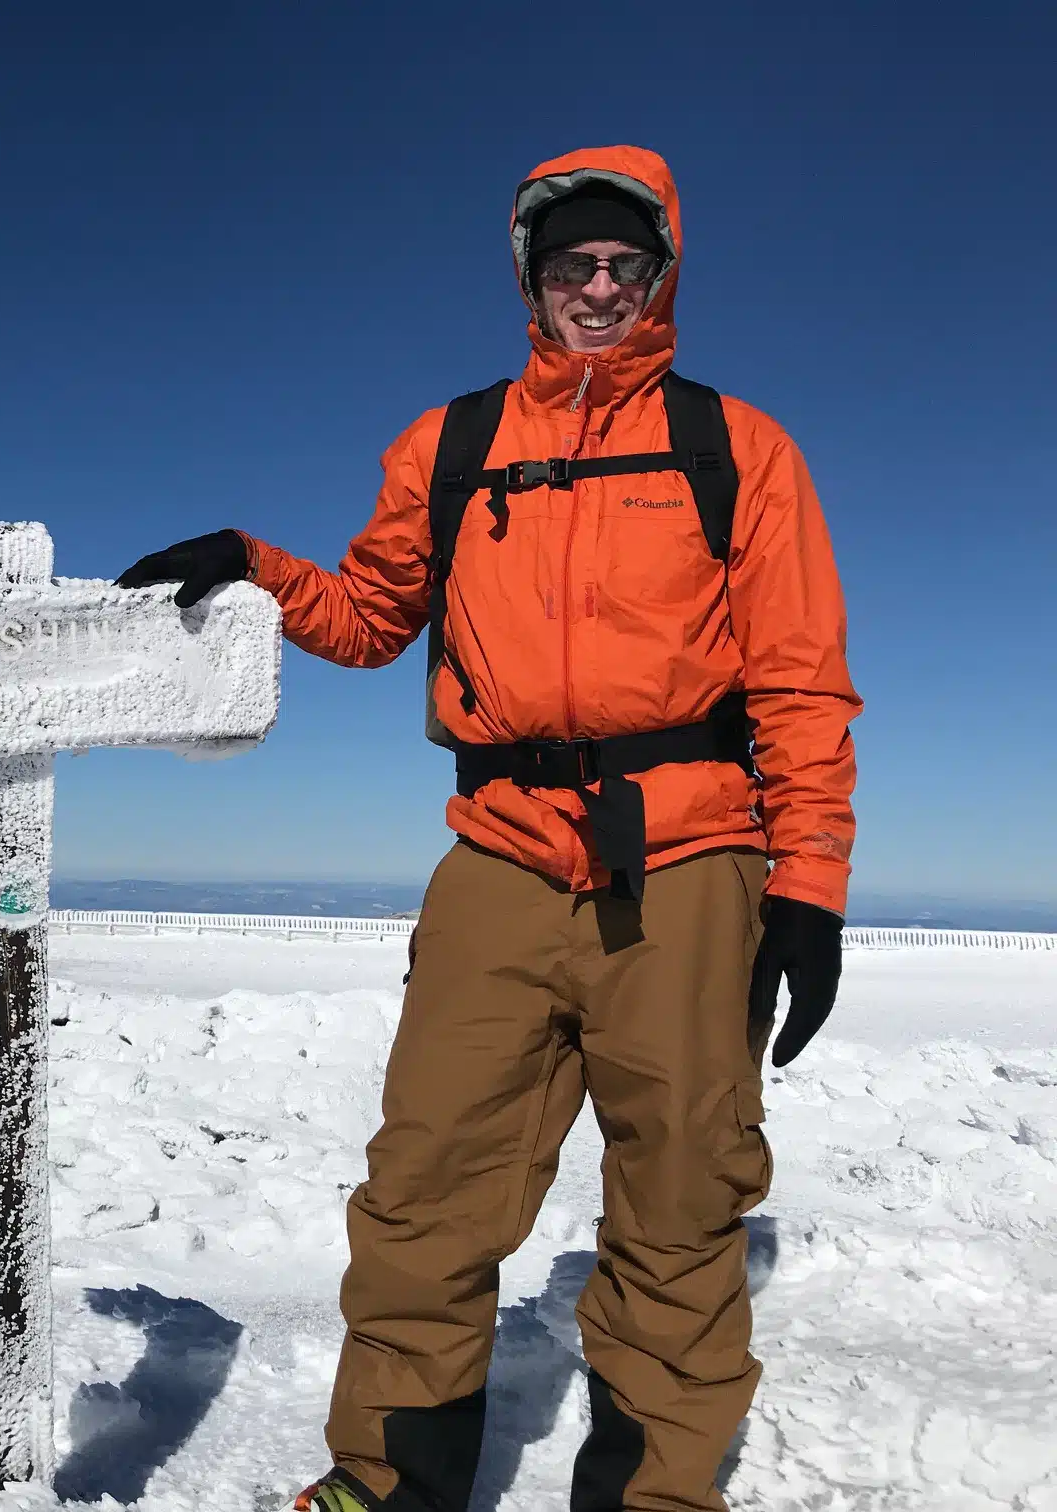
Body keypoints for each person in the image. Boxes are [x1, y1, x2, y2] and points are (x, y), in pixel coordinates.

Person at [117, 145, 860, 1512]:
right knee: (423, 1195)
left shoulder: (737, 449)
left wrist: (806, 889)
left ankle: (651, 1495)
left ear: (661, 276)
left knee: (684, 1202)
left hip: (692, 864)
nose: (596, 287)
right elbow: (372, 614)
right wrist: (259, 568)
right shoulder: (454, 446)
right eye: (569, 263)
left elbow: (802, 683)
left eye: (622, 264)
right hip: (502, 860)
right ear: (531, 276)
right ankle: (391, 1481)